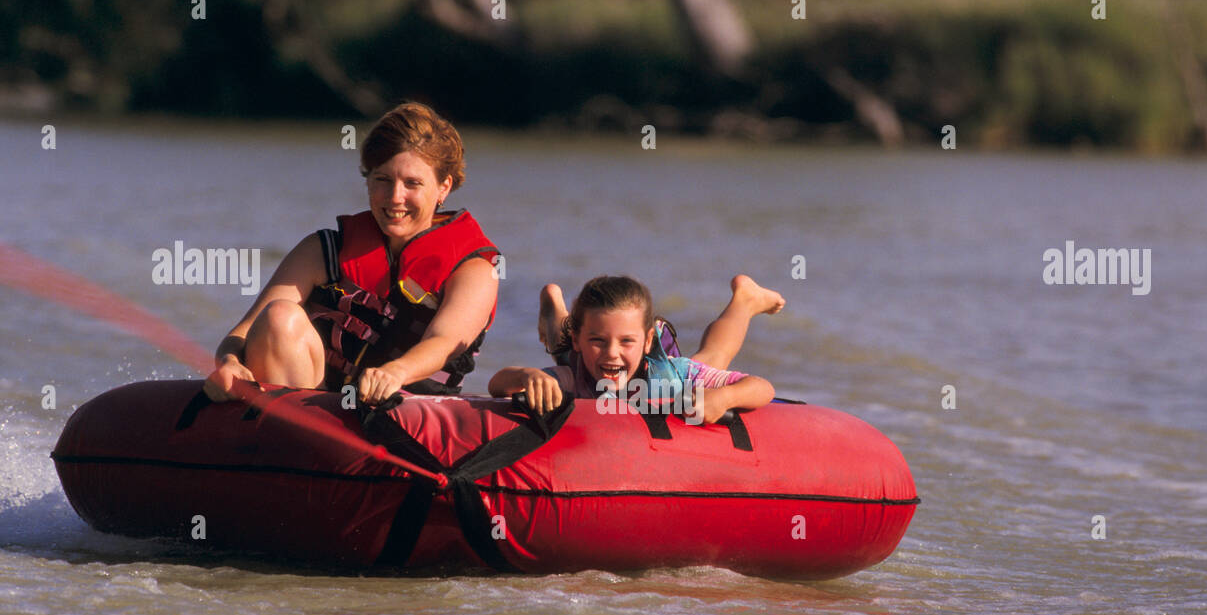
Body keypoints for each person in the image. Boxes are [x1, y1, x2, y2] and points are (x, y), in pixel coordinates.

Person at [203, 102, 500, 405]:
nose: (395, 197)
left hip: (408, 416)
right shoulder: (322, 250)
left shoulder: (475, 270)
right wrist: (229, 363)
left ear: (443, 187)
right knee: (279, 316)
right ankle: (285, 433)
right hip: (317, 404)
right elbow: (243, 333)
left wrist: (395, 372)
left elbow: (444, 341)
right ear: (368, 180)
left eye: (412, 183)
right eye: (382, 179)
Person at [489, 274, 780, 424]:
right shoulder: (574, 373)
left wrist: (723, 397)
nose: (612, 352)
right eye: (599, 341)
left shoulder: (674, 375)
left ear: (648, 341)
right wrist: (528, 375)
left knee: (712, 359)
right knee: (564, 347)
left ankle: (745, 299)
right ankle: (553, 304)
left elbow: (761, 388)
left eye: (627, 342)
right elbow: (497, 385)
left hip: (641, 368)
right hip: (581, 355)